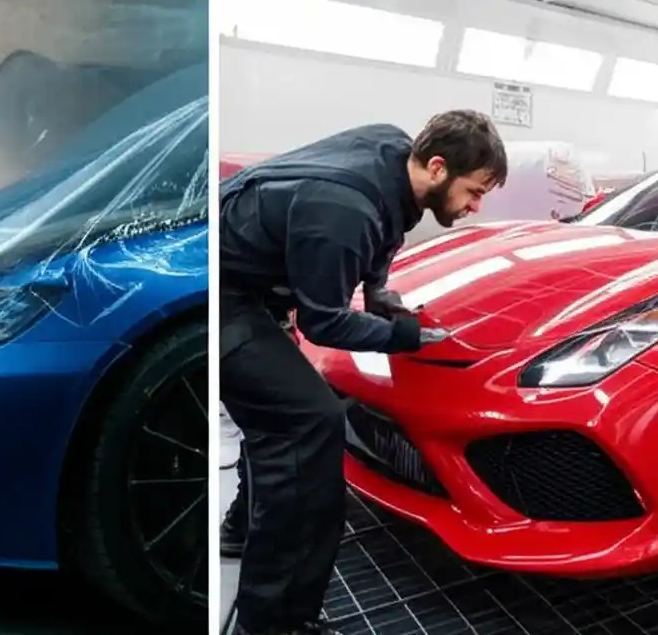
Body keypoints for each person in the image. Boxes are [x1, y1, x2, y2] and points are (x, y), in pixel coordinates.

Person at [218, 111, 508, 635]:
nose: (475, 207)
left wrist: (379, 292)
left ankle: (241, 529)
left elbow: (388, 224)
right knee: (306, 428)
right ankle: (270, 623)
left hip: (249, 280)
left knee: (278, 417)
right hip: (221, 298)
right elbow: (323, 322)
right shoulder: (340, 208)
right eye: (474, 192)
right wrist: (402, 336)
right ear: (438, 167)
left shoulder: (394, 150)